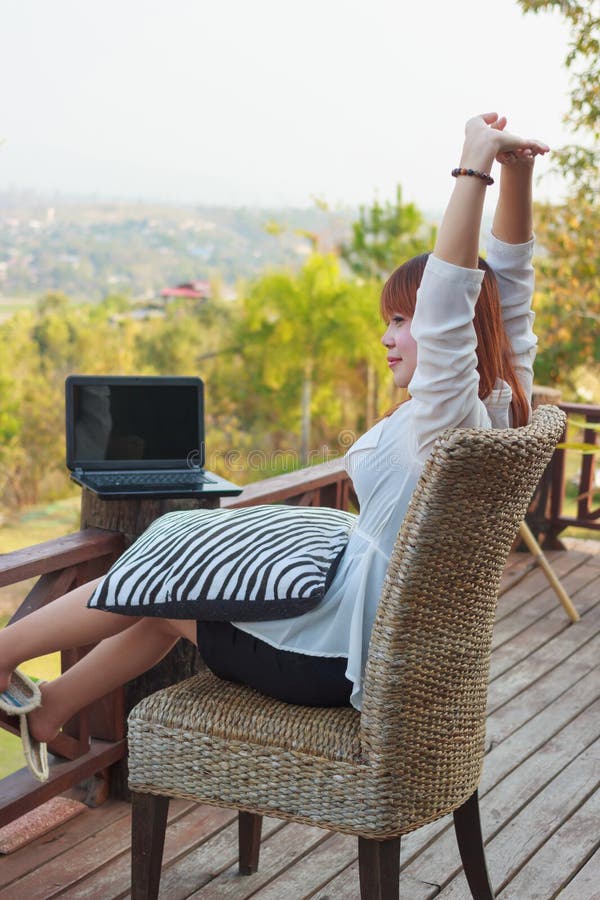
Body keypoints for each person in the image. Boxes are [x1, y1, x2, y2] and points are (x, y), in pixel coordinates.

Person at [0, 112, 549, 779]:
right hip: (368, 635)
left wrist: (473, 166)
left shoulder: (451, 418)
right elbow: (508, 293)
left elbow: (454, 304)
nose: (389, 338)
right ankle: (53, 705)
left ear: (447, 331)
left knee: (168, 578)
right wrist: (519, 174)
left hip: (338, 657)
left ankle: (5, 651)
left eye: (402, 321)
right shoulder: (505, 401)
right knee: (177, 591)